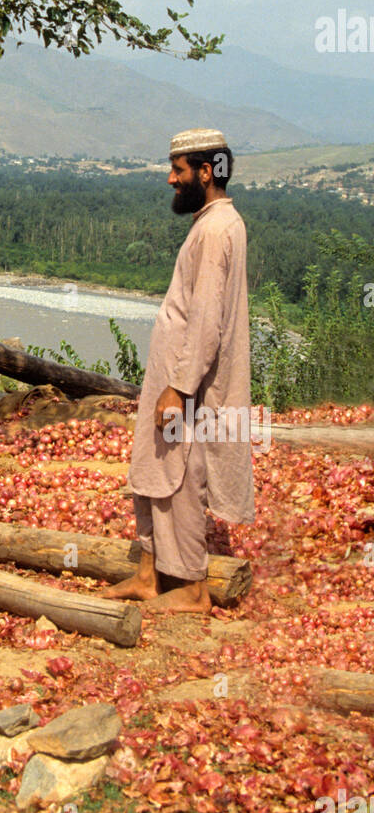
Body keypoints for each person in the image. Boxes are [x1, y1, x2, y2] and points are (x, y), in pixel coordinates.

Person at [105, 128, 254, 613]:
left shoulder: (215, 230)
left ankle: (190, 588)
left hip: (185, 385)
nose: (171, 179)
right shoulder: (212, 224)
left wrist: (180, 388)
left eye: (179, 170)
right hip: (171, 378)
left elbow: (207, 322)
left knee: (180, 479)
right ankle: (149, 574)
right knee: (154, 469)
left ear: (206, 172)